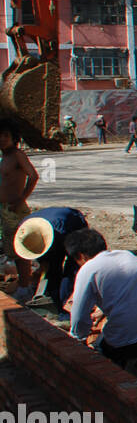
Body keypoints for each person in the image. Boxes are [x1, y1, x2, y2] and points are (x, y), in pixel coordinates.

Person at [67, 228, 137, 367]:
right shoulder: (127, 255)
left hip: (125, 346)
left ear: (81, 256)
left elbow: (79, 316)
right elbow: (129, 294)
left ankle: (131, 363)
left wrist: (77, 341)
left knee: (99, 347)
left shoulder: (88, 269)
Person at [13, 206, 88, 309]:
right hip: (51, 226)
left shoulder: (62, 230)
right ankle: (54, 300)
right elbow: (44, 262)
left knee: (71, 270)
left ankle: (66, 308)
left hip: (71, 223)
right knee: (52, 268)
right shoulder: (25, 230)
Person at [0, 119, 40, 301]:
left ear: (13, 137)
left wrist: (21, 198)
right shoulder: (4, 157)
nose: (2, 139)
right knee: (10, 249)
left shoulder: (17, 155)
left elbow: (33, 176)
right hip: (4, 210)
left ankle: (26, 286)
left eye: (6, 136)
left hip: (15, 209)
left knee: (20, 250)